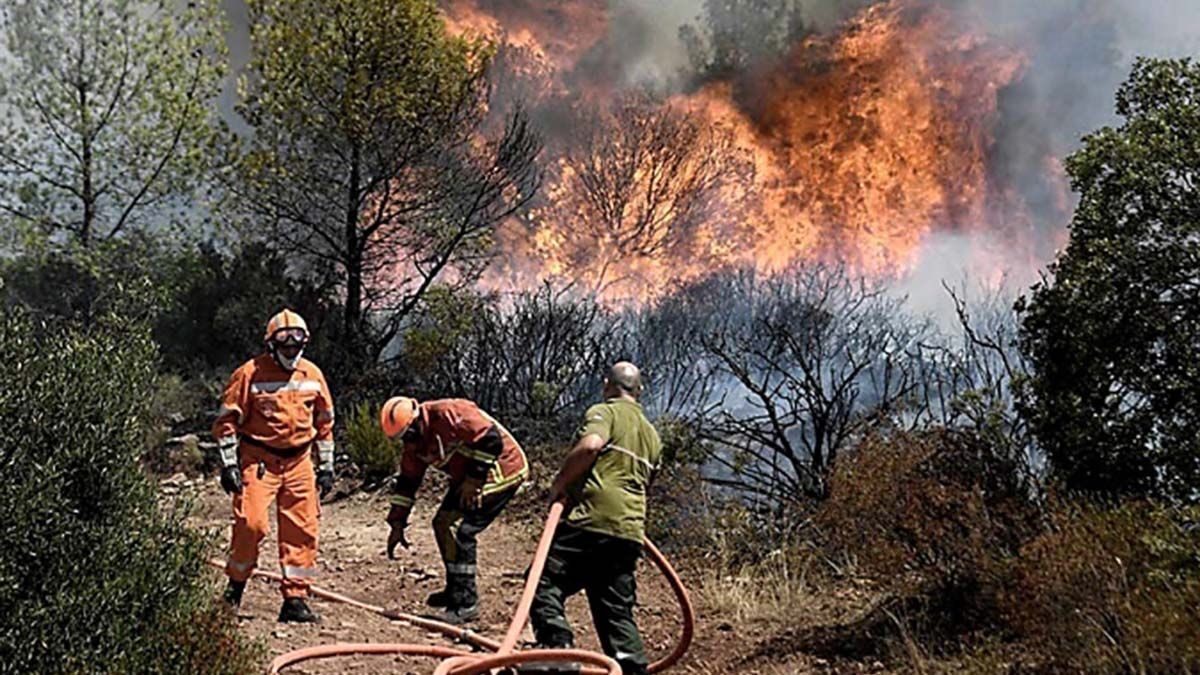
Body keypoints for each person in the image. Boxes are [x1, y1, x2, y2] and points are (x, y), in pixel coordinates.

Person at [526, 362, 663, 675]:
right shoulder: (653, 435)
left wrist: (560, 483)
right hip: (629, 530)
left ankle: (557, 649)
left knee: (542, 580)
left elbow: (591, 446)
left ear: (606, 385)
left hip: (591, 520)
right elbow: (648, 484)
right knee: (615, 609)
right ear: (639, 391)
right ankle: (632, 669)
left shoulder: (605, 412)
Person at [212, 309, 336, 623]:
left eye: (297, 340)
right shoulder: (249, 374)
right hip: (259, 461)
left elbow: (325, 422)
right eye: (284, 340)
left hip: (299, 462)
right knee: (251, 525)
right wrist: (229, 464)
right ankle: (235, 589)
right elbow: (226, 421)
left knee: (302, 529)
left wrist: (326, 466)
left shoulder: (312, 375)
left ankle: (295, 599)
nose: (291, 346)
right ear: (271, 343)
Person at [380, 396, 529, 624]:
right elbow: (408, 482)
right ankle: (455, 589)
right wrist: (397, 524)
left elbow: (491, 440)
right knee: (442, 523)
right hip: (468, 476)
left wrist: (474, 481)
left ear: (417, 420)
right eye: (402, 439)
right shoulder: (415, 445)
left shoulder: (450, 413)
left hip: (501, 468)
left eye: (409, 435)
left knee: (459, 528)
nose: (408, 442)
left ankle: (466, 602)